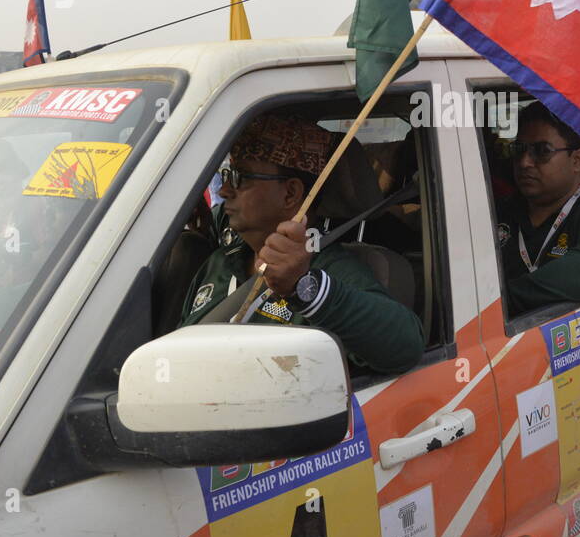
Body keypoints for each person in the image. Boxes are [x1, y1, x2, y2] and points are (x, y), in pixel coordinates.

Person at [177, 112, 424, 374]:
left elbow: (406, 347)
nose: (224, 190)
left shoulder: (331, 269)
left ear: (291, 194)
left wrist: (304, 287)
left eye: (240, 177)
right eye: (226, 175)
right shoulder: (219, 262)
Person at [495, 103, 580, 314]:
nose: (524, 162)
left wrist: (502, 303)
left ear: (576, 160)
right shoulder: (499, 210)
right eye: (519, 150)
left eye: (542, 151)